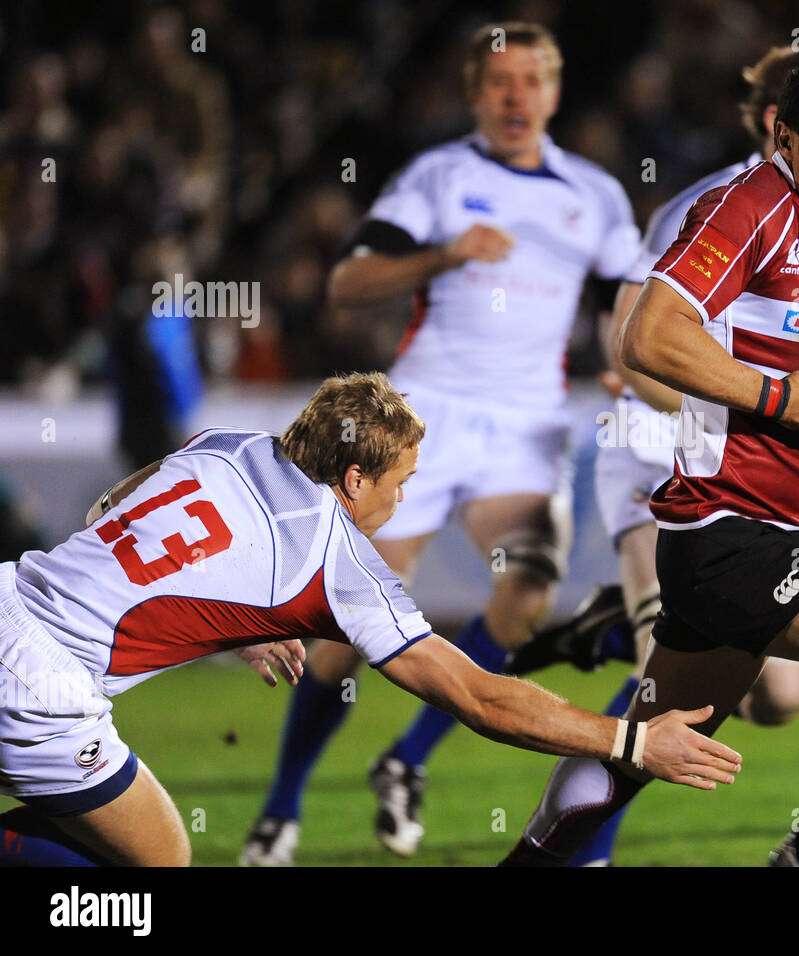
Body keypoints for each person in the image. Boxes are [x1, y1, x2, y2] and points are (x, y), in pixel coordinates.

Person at [501, 53, 799, 868]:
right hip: (721, 530)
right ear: (786, 137)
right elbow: (645, 338)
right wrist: (782, 398)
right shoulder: (746, 207)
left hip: (771, 532)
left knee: (643, 746)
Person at [0, 372, 741, 867]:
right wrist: (635, 741)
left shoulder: (227, 444)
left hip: (10, 595)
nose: (402, 501)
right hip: (43, 691)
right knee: (162, 859)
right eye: (400, 482)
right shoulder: (339, 567)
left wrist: (242, 616)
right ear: (355, 478)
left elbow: (114, 507)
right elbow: (478, 697)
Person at [239, 22, 642, 864]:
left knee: (527, 587)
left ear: (554, 92)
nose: (515, 96)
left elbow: (627, 309)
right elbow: (349, 281)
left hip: (526, 424)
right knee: (343, 626)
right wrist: (444, 255)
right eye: (498, 81)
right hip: (427, 416)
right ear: (472, 94)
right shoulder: (439, 177)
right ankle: (281, 807)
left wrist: (633, 366)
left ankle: (406, 759)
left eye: (530, 80)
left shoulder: (597, 194)